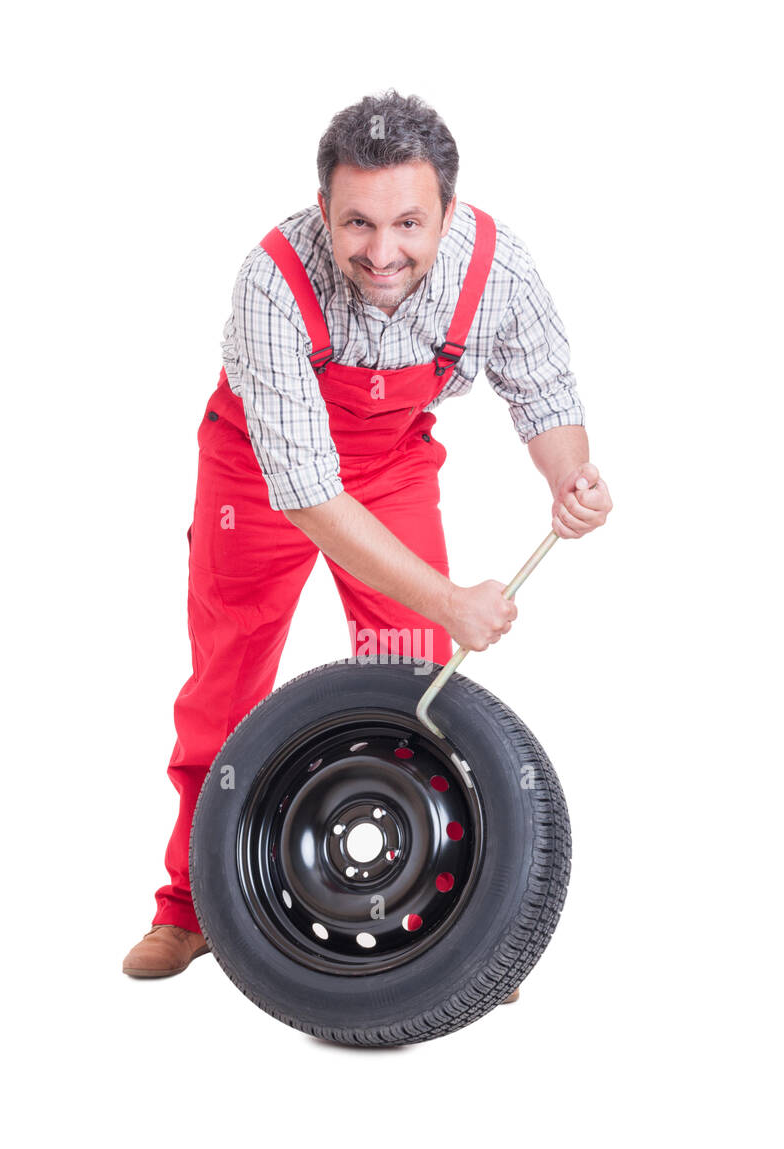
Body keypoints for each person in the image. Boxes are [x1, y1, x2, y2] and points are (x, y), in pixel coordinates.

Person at [123, 89, 613, 986]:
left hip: (387, 465)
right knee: (226, 686)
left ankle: (450, 929)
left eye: (407, 223)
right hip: (259, 476)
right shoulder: (273, 276)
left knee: (418, 675)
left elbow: (544, 393)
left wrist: (568, 479)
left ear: (447, 213)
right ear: (323, 212)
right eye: (356, 223)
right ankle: (190, 908)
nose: (381, 252)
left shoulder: (496, 268)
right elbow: (305, 490)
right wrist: (451, 594)